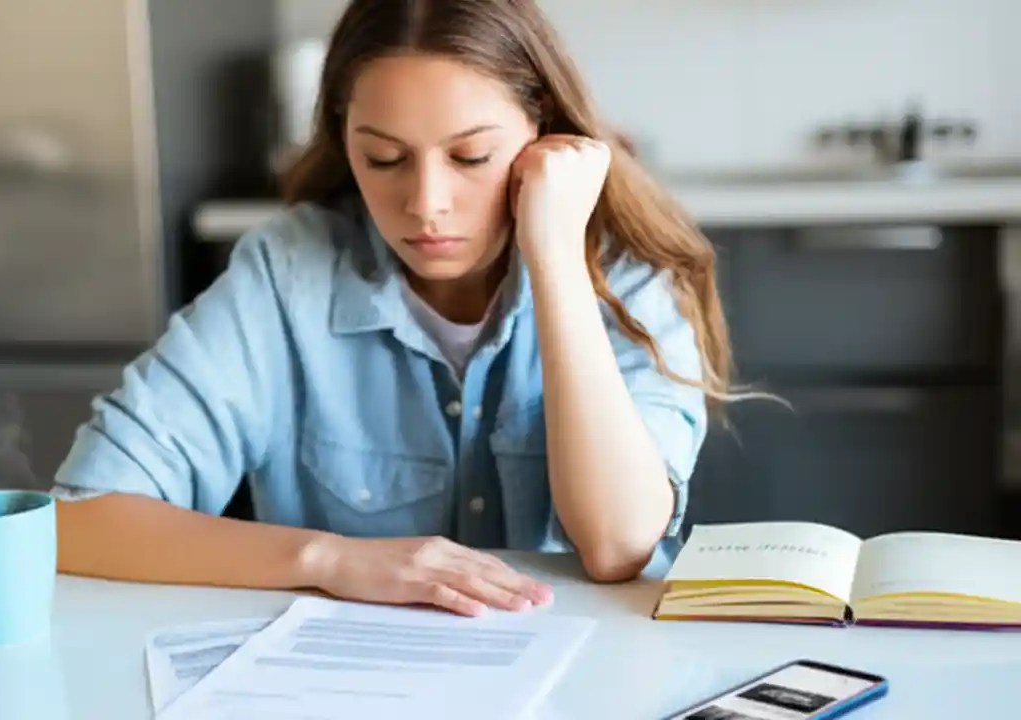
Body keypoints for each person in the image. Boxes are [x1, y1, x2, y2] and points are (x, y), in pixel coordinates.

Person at [52, 0, 733, 618]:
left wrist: (554, 252)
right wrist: (328, 559)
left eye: (471, 156)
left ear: (542, 134)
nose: (425, 203)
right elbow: (75, 520)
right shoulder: (286, 271)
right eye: (384, 158)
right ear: (345, 141)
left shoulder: (626, 274)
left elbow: (618, 547)